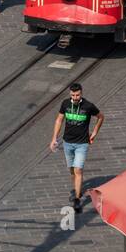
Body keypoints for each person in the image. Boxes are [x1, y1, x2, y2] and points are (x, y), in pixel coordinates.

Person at [49, 81, 103, 212]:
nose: (75, 98)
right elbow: (59, 120)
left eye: (77, 95)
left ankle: (77, 200)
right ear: (70, 94)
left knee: (78, 170)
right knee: (72, 171)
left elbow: (100, 117)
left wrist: (94, 133)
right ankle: (76, 190)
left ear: (81, 93)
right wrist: (54, 138)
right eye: (73, 95)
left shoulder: (88, 106)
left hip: (82, 143)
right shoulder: (65, 104)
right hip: (67, 142)